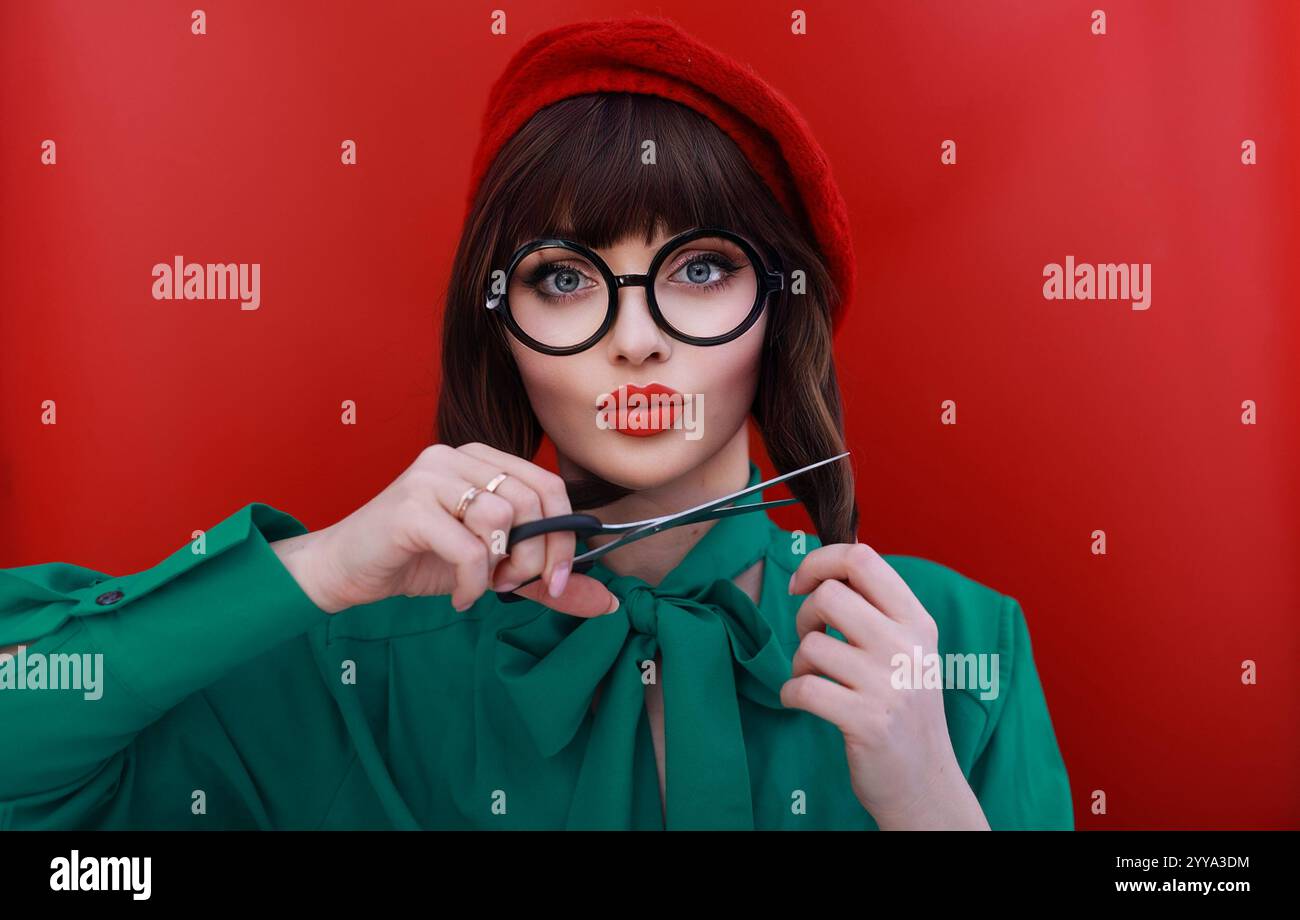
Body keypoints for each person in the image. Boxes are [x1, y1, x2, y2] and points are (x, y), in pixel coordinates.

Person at [0, 16, 1072, 830]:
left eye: (699, 268)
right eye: (566, 278)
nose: (637, 337)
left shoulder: (956, 644)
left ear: (777, 314)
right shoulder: (346, 652)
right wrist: (325, 567)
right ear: (500, 331)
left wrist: (934, 801)